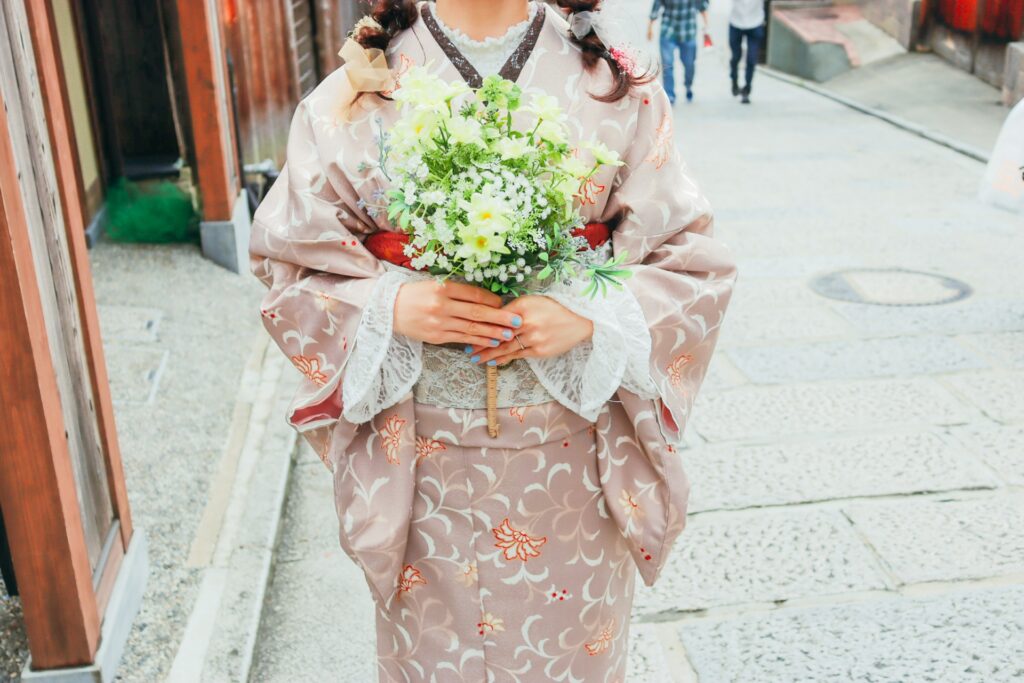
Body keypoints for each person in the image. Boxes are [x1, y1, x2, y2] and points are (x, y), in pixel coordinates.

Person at [249, 0, 736, 680]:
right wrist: (392, 304)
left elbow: (689, 258)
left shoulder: (610, 81)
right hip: (424, 470)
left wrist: (592, 314)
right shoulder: (362, 86)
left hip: (572, 470)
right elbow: (290, 264)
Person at [648, 0, 710, 104]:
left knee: (689, 64)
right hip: (668, 30)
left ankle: (688, 85)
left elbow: (702, 6)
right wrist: (650, 27)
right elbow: (656, 6)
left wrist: (706, 24)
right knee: (667, 64)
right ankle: (669, 95)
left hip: (688, 31)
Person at [728, 0, 766, 103]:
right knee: (736, 56)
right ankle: (734, 80)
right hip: (736, 22)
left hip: (755, 22)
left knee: (751, 58)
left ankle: (747, 89)